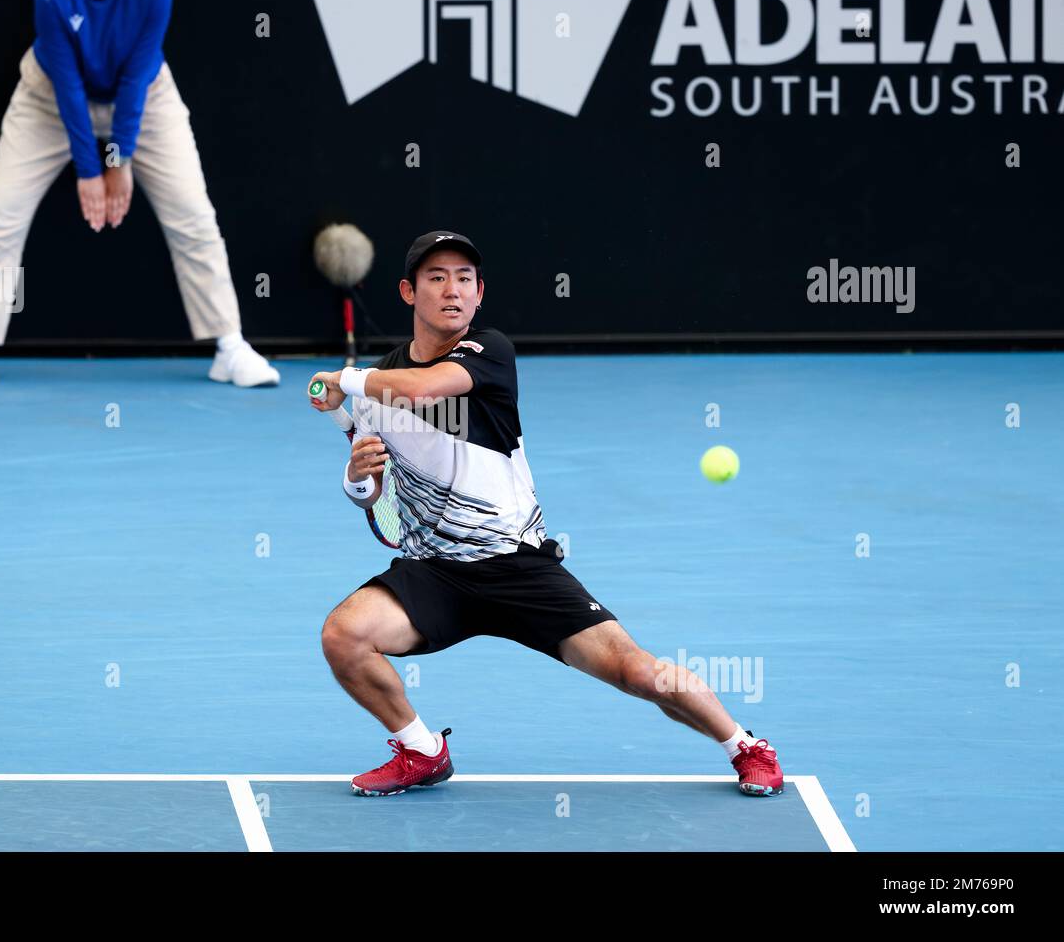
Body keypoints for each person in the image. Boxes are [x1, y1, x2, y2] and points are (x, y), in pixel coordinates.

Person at [309, 231, 783, 797]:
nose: (452, 290)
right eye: (436, 278)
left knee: (636, 671)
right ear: (409, 292)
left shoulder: (488, 351)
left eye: (464, 279)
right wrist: (357, 477)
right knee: (343, 635)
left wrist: (345, 379)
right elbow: (375, 496)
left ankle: (745, 746)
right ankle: (422, 750)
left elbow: (427, 388)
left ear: (480, 293)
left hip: (518, 567)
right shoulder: (376, 386)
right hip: (436, 573)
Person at [0, 0, 278, 388]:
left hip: (145, 95)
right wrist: (89, 172)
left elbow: (135, 76)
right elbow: (68, 86)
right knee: (0, 213)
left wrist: (118, 159)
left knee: (193, 215)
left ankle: (230, 347)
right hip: (49, 97)